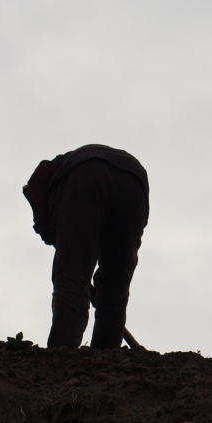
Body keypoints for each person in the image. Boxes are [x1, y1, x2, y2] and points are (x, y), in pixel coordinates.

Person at [22, 144, 149, 349]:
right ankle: (106, 354)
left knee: (72, 275)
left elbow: (36, 191)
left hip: (85, 172)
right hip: (135, 184)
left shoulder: (46, 187)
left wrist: (63, 243)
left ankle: (61, 355)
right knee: (115, 282)